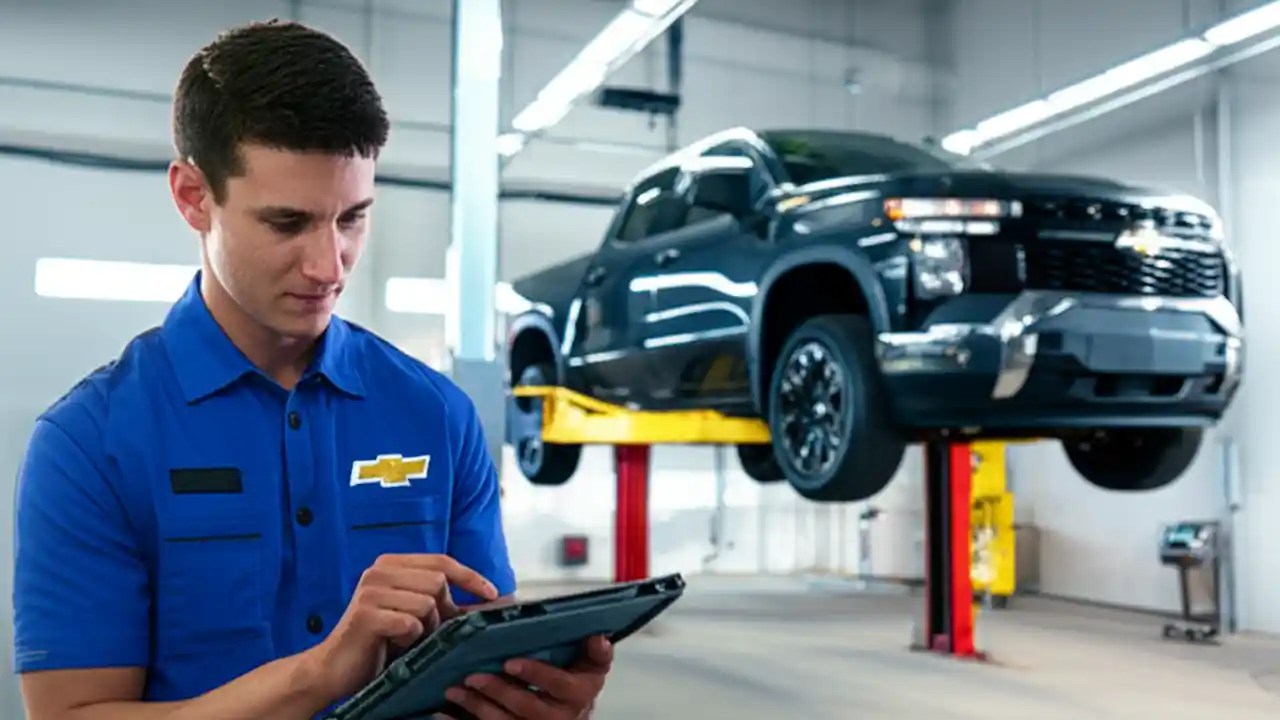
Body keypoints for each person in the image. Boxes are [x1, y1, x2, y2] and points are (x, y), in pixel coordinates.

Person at [12, 19, 611, 720]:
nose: (329, 266)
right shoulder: (90, 445)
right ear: (193, 196)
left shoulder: (437, 416)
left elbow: (480, 664)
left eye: (352, 218)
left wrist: (535, 697)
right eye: (287, 223)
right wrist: (321, 673)